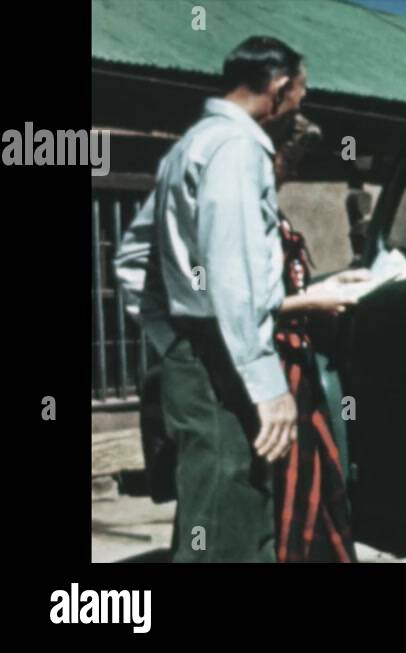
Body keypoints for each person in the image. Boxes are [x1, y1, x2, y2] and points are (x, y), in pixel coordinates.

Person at [115, 36, 361, 562]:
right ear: (278, 87)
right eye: (301, 89)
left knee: (209, 505)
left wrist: (170, 336)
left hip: (199, 346)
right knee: (234, 514)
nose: (301, 99)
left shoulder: (192, 146)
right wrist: (265, 382)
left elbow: (135, 258)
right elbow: (233, 273)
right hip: (225, 355)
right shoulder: (238, 148)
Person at [266, 112, 365, 562]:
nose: (295, 170)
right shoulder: (241, 211)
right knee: (290, 487)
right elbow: (241, 303)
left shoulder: (274, 213)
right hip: (271, 367)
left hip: (299, 364)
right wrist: (311, 301)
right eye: (291, 158)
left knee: (318, 481)